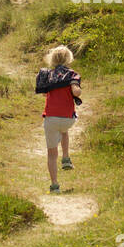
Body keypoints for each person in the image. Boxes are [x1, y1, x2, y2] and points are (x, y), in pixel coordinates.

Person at [41, 45, 81, 192]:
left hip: (51, 118)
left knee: (51, 153)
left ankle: (54, 185)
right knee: (64, 131)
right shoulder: (71, 75)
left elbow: (45, 94)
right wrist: (77, 89)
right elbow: (76, 92)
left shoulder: (48, 75)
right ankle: (66, 158)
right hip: (67, 119)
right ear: (68, 58)